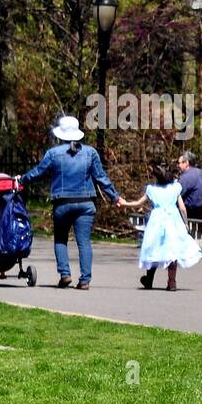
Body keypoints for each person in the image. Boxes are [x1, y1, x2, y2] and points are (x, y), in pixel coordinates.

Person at [16, 115, 125, 289]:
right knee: (84, 242)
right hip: (85, 203)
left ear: (61, 135)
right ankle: (85, 280)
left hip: (62, 204)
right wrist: (115, 197)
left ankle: (65, 274)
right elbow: (101, 177)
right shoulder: (90, 153)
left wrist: (22, 180)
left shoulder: (53, 154)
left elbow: (39, 172)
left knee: (60, 239)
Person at [118, 163, 202, 290]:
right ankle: (172, 281)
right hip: (173, 221)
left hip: (156, 221)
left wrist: (125, 204)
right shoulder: (175, 188)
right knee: (172, 249)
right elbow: (183, 208)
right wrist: (185, 222)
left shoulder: (152, 189)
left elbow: (138, 203)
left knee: (154, 247)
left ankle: (149, 280)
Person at [176, 151, 202, 220]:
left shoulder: (185, 177)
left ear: (186, 163)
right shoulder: (201, 173)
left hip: (189, 212)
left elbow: (177, 194)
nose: (178, 166)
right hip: (200, 211)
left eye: (179, 163)